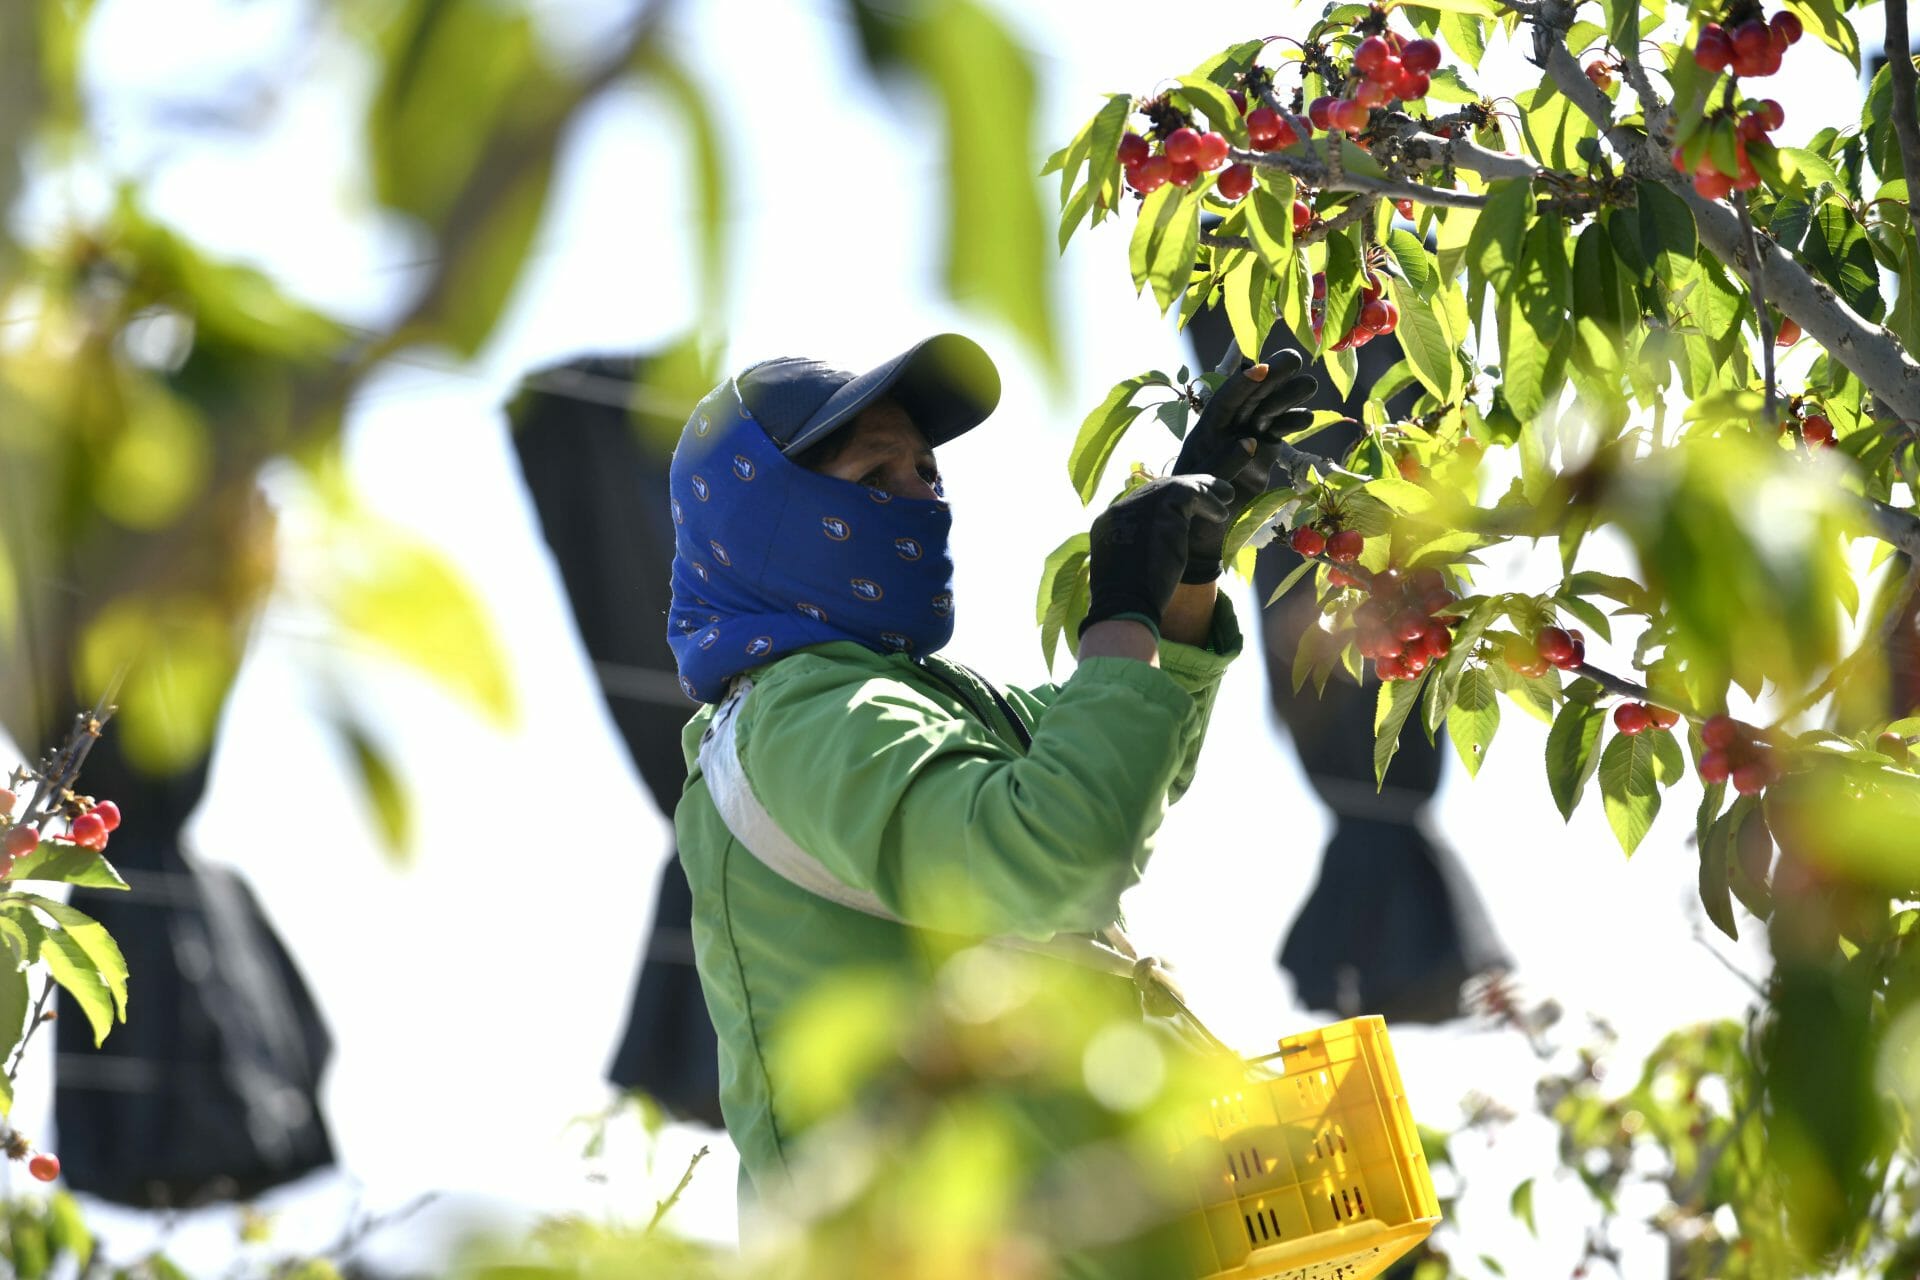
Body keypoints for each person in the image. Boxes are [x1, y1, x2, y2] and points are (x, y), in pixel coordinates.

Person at [665, 333, 1314, 1266]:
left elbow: (1121, 755)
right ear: (765, 512)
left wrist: (1186, 574)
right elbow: (1051, 851)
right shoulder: (803, 721)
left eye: (926, 468)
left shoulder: (906, 703)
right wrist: (1120, 610)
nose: (921, 493)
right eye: (873, 471)